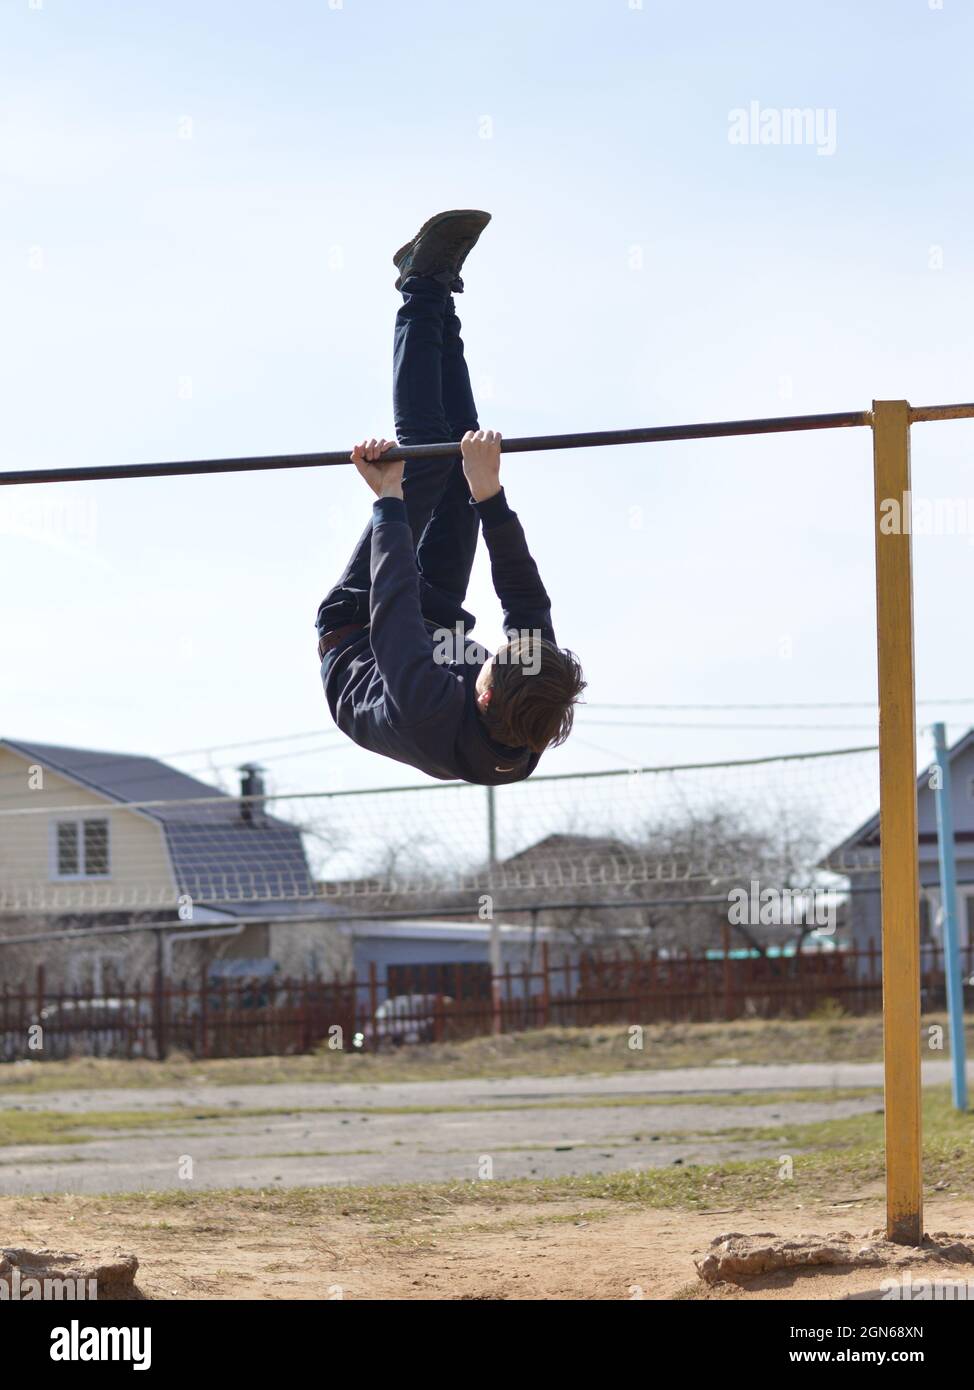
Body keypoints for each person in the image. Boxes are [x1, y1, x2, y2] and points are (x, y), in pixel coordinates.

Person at [315, 209, 585, 786]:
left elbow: (391, 607)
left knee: (421, 459)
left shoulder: (426, 706)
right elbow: (524, 596)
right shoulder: (534, 693)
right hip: (433, 628)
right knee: (462, 471)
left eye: (489, 667)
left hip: (360, 633)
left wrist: (389, 498)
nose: (500, 651)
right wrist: (491, 496)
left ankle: (418, 284)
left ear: (483, 698)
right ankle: (443, 296)